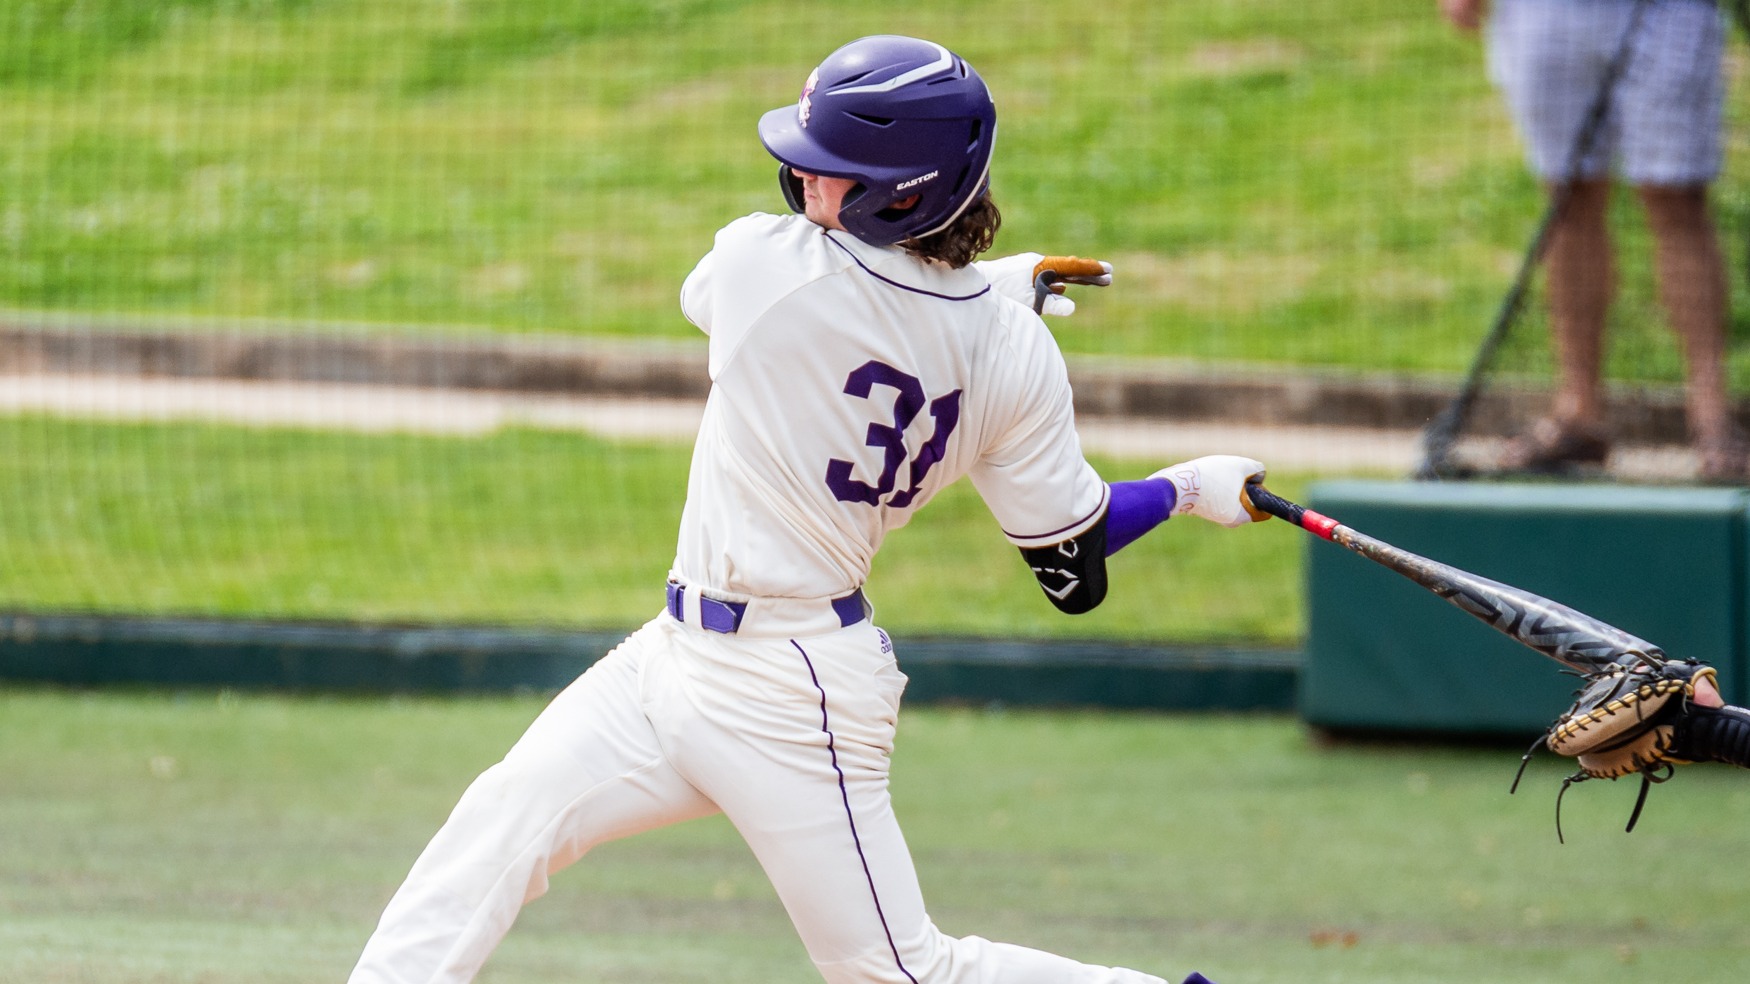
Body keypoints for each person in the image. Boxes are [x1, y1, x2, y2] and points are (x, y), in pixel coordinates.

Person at [346, 35, 1259, 984]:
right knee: (499, 826)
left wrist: (989, 284)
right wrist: (1188, 488)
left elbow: (835, 300)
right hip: (673, 657)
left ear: (904, 193)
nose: (802, 179)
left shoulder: (762, 268)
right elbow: (1072, 565)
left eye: (833, 171)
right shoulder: (1018, 356)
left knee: (900, 973)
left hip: (793, 690)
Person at [1439, 0, 1744, 481]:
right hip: (1543, 12)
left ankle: (1714, 423)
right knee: (1568, 197)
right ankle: (1580, 414)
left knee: (1677, 196)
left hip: (1665, 10)